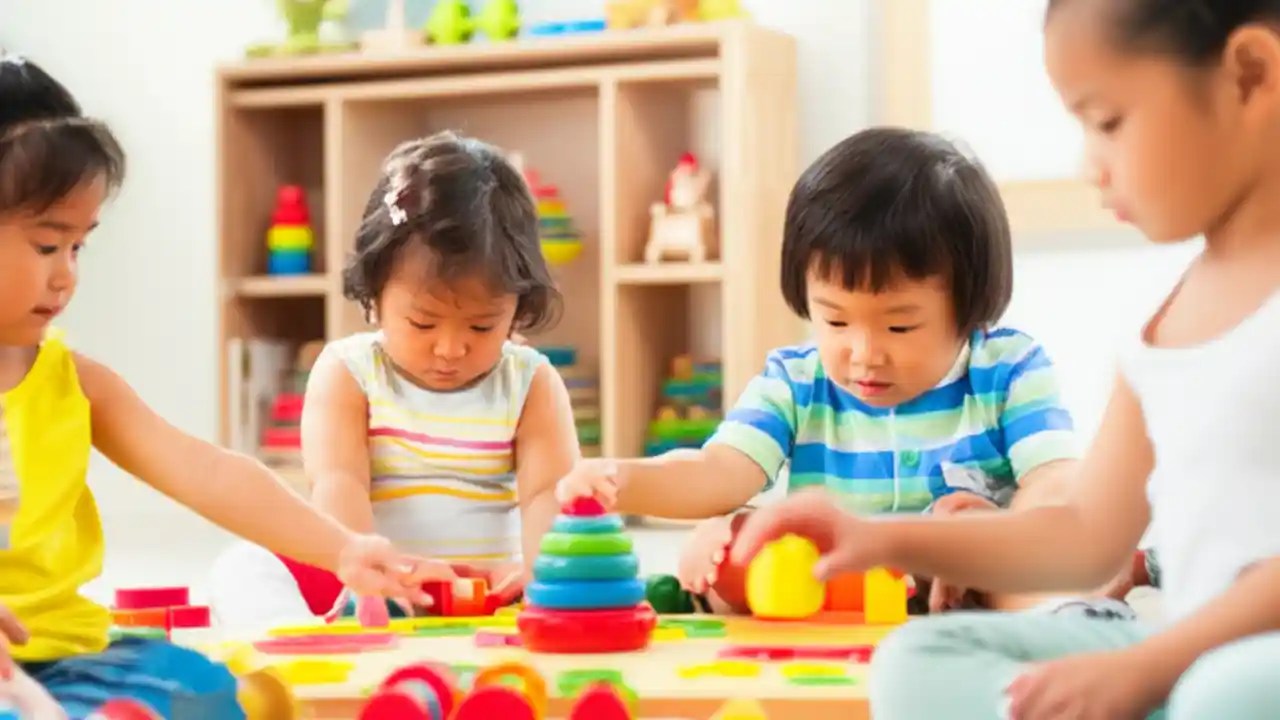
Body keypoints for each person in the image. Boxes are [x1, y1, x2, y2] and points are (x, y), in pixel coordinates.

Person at [728, 1, 1280, 716]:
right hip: (1186, 653)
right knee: (917, 661)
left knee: (1226, 693)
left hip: (1234, 662)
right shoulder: (1167, 322)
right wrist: (878, 537)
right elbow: (1084, 534)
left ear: (1249, 75)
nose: (1090, 164)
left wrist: (1151, 665)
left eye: (1108, 122)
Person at [0, 55, 436, 718]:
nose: (66, 276)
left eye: (79, 247)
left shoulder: (77, 384)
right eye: (45, 245)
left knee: (203, 688)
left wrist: (344, 549)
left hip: (68, 655)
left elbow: (206, 472)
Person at [557, 127, 1116, 616]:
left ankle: (1073, 615)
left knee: (1040, 562)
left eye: (900, 327)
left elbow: (1055, 480)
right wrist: (622, 480)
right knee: (732, 548)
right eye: (835, 320)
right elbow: (718, 470)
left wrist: (990, 534)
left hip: (963, 580)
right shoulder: (795, 382)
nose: (865, 353)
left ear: (969, 310)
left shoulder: (1009, 369)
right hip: (836, 586)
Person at [208, 131, 578, 630]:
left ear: (519, 304)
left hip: (487, 594)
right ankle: (292, 651)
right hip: (372, 588)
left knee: (595, 574)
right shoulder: (349, 373)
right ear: (375, 294)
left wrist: (540, 578)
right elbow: (338, 485)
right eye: (422, 324)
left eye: (482, 326)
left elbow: (547, 495)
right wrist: (380, 574)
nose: (450, 349)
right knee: (242, 565)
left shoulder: (530, 382)